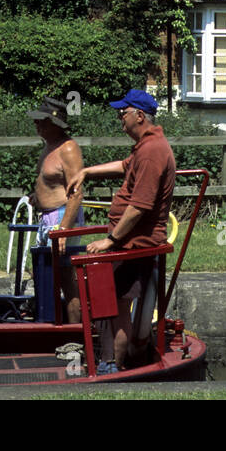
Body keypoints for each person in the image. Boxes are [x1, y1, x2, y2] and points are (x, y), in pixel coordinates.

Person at [68, 88, 176, 374]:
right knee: (112, 303)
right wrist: (87, 171)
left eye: (123, 112)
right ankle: (109, 361)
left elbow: (140, 206)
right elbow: (125, 166)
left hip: (133, 244)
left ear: (139, 116)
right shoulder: (146, 147)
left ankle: (112, 365)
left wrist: (111, 240)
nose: (119, 117)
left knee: (117, 307)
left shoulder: (152, 151)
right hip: (127, 242)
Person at [27, 97, 84, 322]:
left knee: (67, 278)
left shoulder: (68, 148)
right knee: (46, 273)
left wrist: (64, 228)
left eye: (41, 120)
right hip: (48, 216)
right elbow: (52, 183)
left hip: (62, 216)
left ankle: (75, 335)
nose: (36, 125)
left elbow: (76, 192)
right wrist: (37, 197)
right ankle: (51, 323)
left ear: (54, 123)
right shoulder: (49, 147)